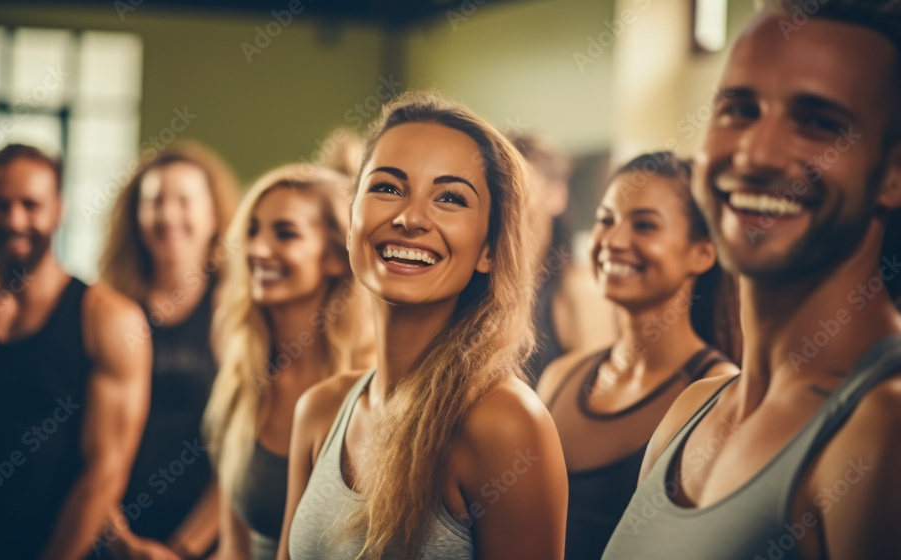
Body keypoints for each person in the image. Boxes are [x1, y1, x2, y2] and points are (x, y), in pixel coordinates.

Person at [603, 1, 901, 558]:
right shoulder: (693, 410)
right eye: (740, 109)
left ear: (892, 173)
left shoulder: (881, 424)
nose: (756, 153)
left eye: (818, 123)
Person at [278, 91, 569, 560]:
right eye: (388, 188)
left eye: (450, 198)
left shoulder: (506, 425)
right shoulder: (321, 409)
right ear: (351, 222)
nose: (410, 217)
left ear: (489, 250)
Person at [0, 144, 152, 560]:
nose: (15, 220)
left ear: (58, 210)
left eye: (30, 205)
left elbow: (105, 471)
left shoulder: (108, 321)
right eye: (1, 205)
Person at [535, 151, 741, 560]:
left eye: (644, 225)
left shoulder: (720, 398)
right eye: (605, 220)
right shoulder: (561, 377)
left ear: (703, 251)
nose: (613, 241)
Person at [202, 163, 374, 560]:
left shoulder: (372, 388)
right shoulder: (244, 374)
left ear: (335, 256)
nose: (258, 249)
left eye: (285, 233)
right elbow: (234, 547)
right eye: (251, 231)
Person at [96, 141, 239, 559]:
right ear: (136, 215)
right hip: (109, 533)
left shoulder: (233, 314)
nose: (169, 215)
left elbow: (242, 452)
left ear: (213, 216)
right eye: (155, 201)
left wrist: (181, 550)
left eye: (184, 201)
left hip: (202, 540)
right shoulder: (105, 309)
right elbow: (85, 439)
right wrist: (119, 540)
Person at [509, 133, 618, 384]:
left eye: (523, 186)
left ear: (556, 195)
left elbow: (597, 401)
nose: (511, 200)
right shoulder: (486, 287)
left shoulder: (581, 290)